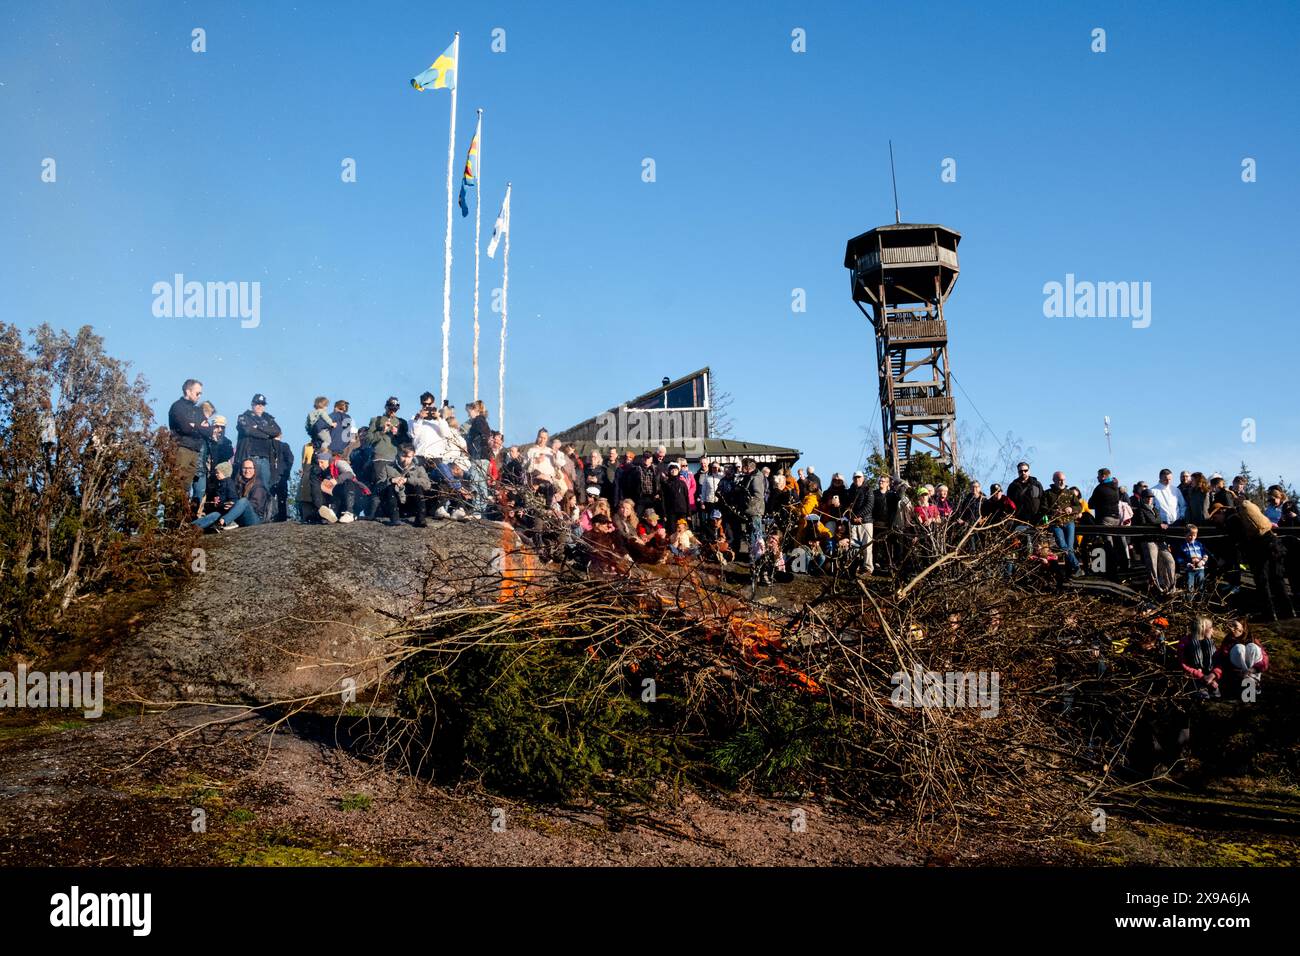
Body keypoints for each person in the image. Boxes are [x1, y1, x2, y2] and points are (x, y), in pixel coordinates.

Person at [167, 379, 215, 509]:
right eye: (197, 393)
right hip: (182, 449)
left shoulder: (198, 410)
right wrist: (199, 427)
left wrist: (196, 426)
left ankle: (182, 518)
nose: (199, 396)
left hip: (195, 451)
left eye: (200, 394)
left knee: (186, 488)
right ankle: (172, 519)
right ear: (188, 391)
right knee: (177, 486)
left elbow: (209, 430)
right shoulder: (177, 407)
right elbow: (185, 428)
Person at [196, 459, 271, 531]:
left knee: (244, 501)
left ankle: (221, 523)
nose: (247, 470)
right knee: (216, 514)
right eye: (244, 468)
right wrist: (223, 504)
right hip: (238, 515)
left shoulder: (259, 486)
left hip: (255, 519)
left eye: (250, 468)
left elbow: (255, 507)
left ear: (255, 470)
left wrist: (235, 505)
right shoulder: (237, 483)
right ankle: (192, 526)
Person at [234, 393, 282, 494]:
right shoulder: (244, 417)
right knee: (246, 486)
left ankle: (261, 509)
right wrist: (268, 435)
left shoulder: (269, 419)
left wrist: (259, 427)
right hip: (249, 457)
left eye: (262, 404)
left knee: (264, 487)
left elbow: (277, 431)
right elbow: (247, 431)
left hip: (265, 459)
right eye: (258, 404)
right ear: (252, 404)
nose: (260, 406)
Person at [378, 445, 433, 527]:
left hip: (411, 503)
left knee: (417, 486)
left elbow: (427, 485)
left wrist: (408, 480)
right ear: (398, 454)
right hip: (392, 503)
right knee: (390, 487)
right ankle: (394, 519)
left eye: (409, 457)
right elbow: (378, 487)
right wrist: (391, 481)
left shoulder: (419, 469)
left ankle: (420, 519)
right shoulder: (387, 467)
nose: (406, 459)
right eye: (403, 456)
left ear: (413, 456)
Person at [1213, 620, 1268, 700]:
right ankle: (1249, 682)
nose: (1232, 628)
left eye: (1235, 626)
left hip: (1253, 671)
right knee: (1239, 648)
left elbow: (1264, 658)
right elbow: (1223, 657)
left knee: (1253, 647)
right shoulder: (1228, 639)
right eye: (1232, 626)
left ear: (1243, 627)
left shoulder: (1252, 638)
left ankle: (1252, 682)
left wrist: (1254, 668)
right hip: (1237, 671)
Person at [1043, 472, 1083, 575]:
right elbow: (1043, 508)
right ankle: (1076, 566)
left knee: (1069, 548)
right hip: (1055, 523)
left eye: (1063, 480)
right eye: (1060, 480)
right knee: (1063, 546)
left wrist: (1071, 508)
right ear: (1054, 480)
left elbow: (1079, 507)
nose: (1062, 482)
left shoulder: (1070, 493)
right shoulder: (1047, 493)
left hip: (1069, 522)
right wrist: (1053, 512)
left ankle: (1072, 571)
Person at [367, 397, 409, 483]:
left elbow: (406, 442)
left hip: (396, 460)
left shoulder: (402, 423)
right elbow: (369, 439)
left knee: (396, 485)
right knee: (381, 484)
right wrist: (382, 431)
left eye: (395, 408)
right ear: (386, 407)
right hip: (380, 458)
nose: (392, 410)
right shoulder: (376, 420)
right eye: (390, 407)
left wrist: (397, 434)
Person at [1007, 461, 1044, 554]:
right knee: (1022, 543)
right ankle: (1024, 564)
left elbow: (1042, 499)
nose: (1023, 472)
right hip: (1020, 518)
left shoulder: (1037, 484)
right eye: (1020, 471)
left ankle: (1034, 565)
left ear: (1029, 471)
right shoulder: (1013, 486)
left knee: (1036, 543)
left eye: (1025, 470)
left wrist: (1042, 514)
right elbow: (1009, 503)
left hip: (1035, 518)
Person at [1179, 616, 1221, 699]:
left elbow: (1219, 662)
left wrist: (1213, 675)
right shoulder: (1185, 642)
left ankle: (1211, 684)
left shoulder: (1212, 643)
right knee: (1203, 698)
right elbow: (1183, 663)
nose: (1213, 630)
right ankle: (1197, 686)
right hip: (1196, 676)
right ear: (1202, 628)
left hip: (1211, 676)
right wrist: (1201, 676)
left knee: (1216, 696)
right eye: (1210, 627)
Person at [662, 462, 691, 528]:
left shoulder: (682, 483)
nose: (674, 471)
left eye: (675, 470)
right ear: (669, 471)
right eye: (672, 470)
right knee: (672, 529)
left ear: (678, 471)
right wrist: (664, 514)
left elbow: (687, 497)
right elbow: (663, 499)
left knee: (682, 529)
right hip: (671, 511)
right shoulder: (666, 484)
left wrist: (689, 513)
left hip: (682, 510)